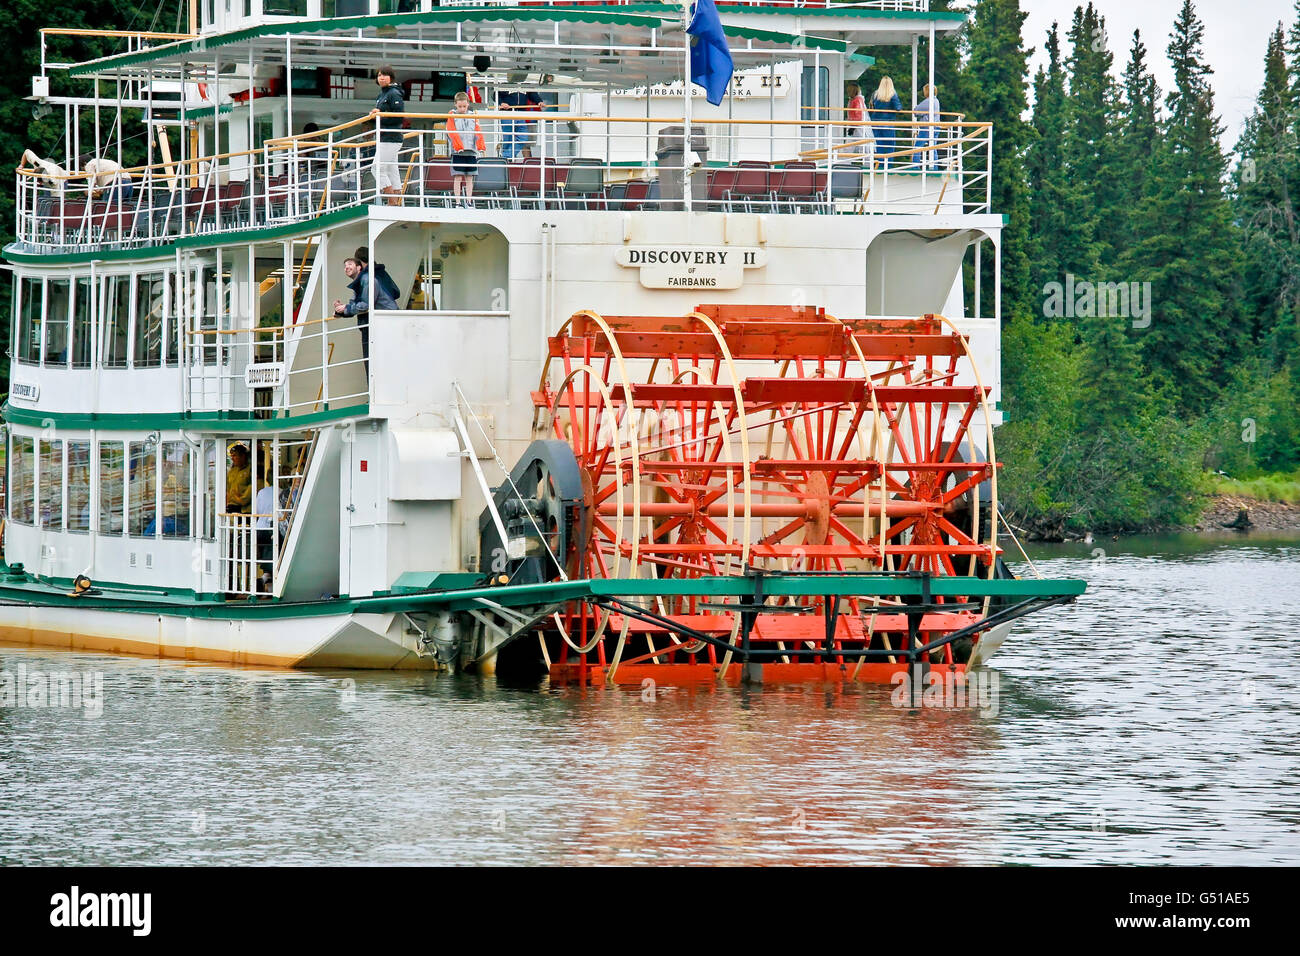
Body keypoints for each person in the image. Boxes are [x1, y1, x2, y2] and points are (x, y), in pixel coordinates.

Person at [333, 256, 397, 375]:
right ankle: (374, 391)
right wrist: (340, 311)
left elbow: (365, 305)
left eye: (350, 264)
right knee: (370, 362)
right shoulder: (360, 282)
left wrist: (346, 308)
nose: (346, 267)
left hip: (383, 324)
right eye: (345, 266)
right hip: (374, 324)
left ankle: (376, 391)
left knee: (375, 362)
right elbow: (355, 304)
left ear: (359, 267)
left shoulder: (367, 280)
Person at [370, 64, 405, 206]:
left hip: (391, 138)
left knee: (376, 168)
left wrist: (380, 115)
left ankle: (392, 201)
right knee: (391, 170)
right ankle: (397, 201)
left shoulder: (394, 93)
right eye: (379, 75)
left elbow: (398, 117)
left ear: (391, 77)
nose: (381, 77)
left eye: (384, 75)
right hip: (385, 137)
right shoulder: (382, 94)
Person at [446, 91, 486, 206]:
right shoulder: (452, 116)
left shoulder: (474, 115)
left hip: (471, 152)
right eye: (460, 106)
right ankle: (458, 202)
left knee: (470, 178)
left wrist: (481, 146)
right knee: (457, 177)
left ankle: (469, 201)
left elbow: (478, 132)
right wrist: (458, 147)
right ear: (455, 105)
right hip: (458, 152)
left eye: (464, 106)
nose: (462, 109)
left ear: (468, 104)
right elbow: (451, 132)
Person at [869, 76, 903, 169]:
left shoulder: (875, 94)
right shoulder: (893, 94)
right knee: (890, 146)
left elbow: (871, 108)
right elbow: (898, 108)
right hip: (888, 123)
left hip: (876, 123)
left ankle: (879, 166)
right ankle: (888, 167)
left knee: (879, 145)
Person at [254, 476, 276, 592]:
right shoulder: (281, 492)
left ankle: (266, 583)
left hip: (260, 528)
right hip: (272, 528)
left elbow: (256, 511)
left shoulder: (262, 492)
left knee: (266, 557)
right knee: (273, 557)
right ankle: (269, 586)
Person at [913, 84, 942, 169]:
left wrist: (921, 113)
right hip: (936, 126)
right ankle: (934, 167)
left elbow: (916, 111)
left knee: (917, 147)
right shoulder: (936, 101)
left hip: (927, 127)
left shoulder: (929, 101)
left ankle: (915, 167)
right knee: (933, 148)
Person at [226, 443, 252, 516]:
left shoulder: (250, 470)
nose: (232, 458)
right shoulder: (232, 471)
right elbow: (227, 490)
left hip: (244, 510)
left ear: (243, 456)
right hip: (231, 507)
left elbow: (252, 490)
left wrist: (238, 498)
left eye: (234, 456)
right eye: (231, 456)